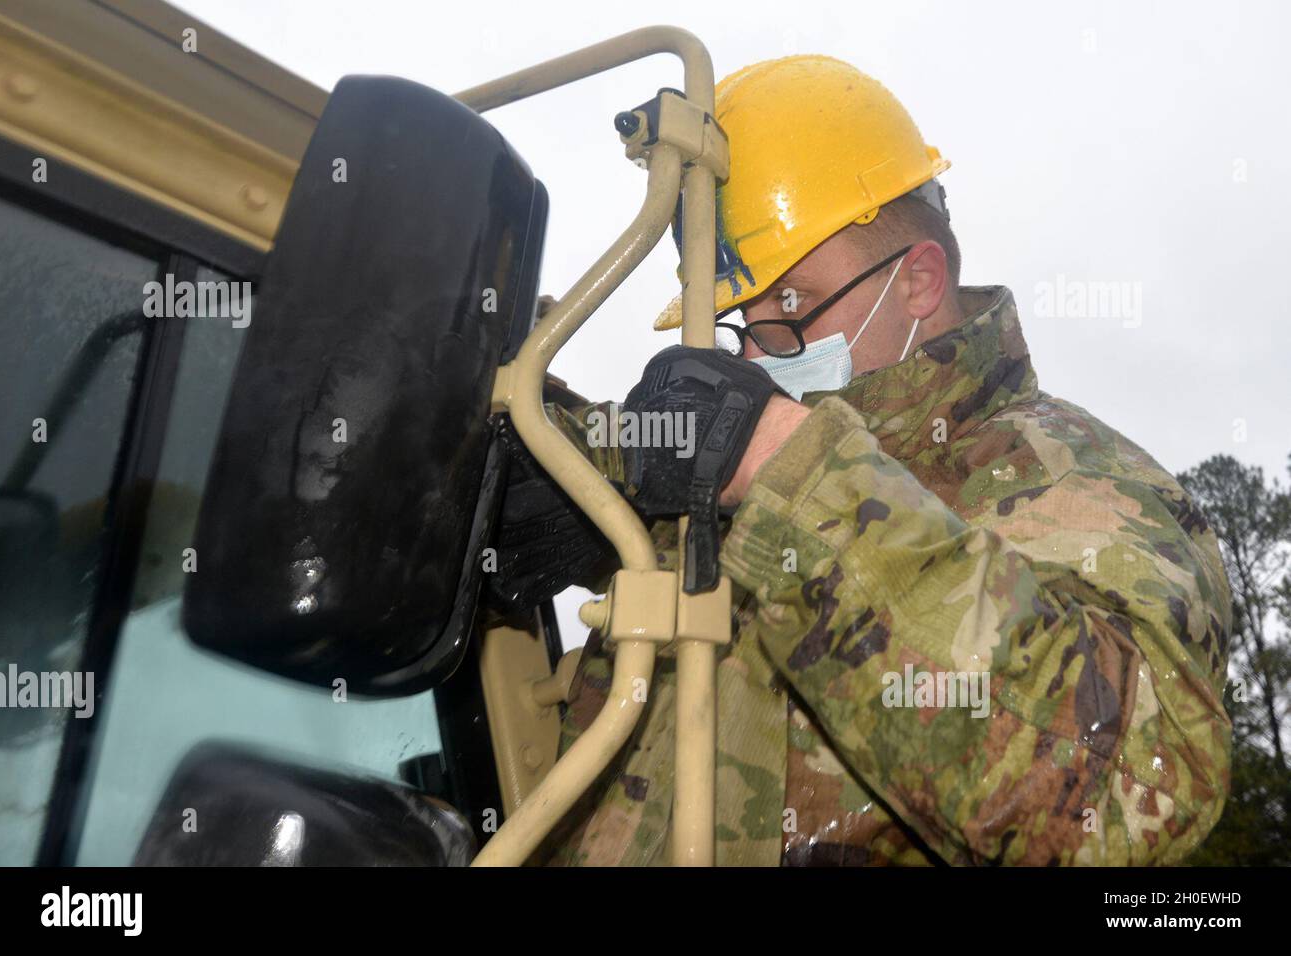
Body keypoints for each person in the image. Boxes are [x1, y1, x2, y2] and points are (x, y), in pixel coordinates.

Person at [523, 55, 1232, 865]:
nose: (755, 357)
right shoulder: (732, 484)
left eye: (787, 314)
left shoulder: (1076, 481)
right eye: (736, 328)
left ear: (918, 283)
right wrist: (572, 469)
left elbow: (1131, 788)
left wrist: (793, 473)